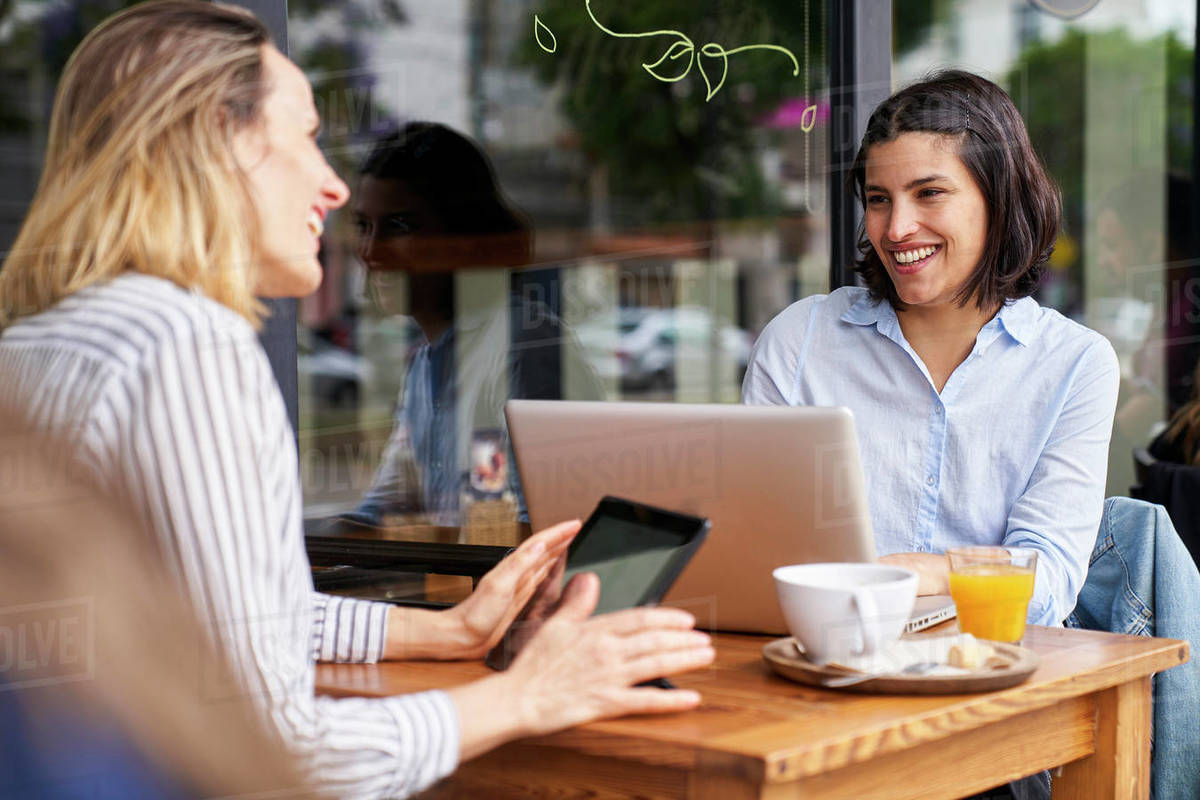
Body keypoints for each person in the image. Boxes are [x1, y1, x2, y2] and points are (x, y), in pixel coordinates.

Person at [0, 2, 713, 798]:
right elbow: (274, 747)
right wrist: (523, 697)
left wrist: (450, 631)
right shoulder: (190, 344)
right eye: (306, 135)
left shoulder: (36, 342)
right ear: (216, 138)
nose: (332, 186)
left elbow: (233, 616)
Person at [743, 70, 1120, 631]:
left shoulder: (1074, 364)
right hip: (824, 658)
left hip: (997, 674)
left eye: (930, 193)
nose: (896, 228)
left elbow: (1047, 585)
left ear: (999, 197)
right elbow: (752, 544)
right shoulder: (799, 341)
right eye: (878, 199)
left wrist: (925, 572)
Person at [348, 123, 604, 528]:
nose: (370, 252)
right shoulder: (424, 367)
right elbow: (384, 509)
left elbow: (541, 529)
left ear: (463, 234)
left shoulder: (522, 347)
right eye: (363, 226)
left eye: (400, 226)